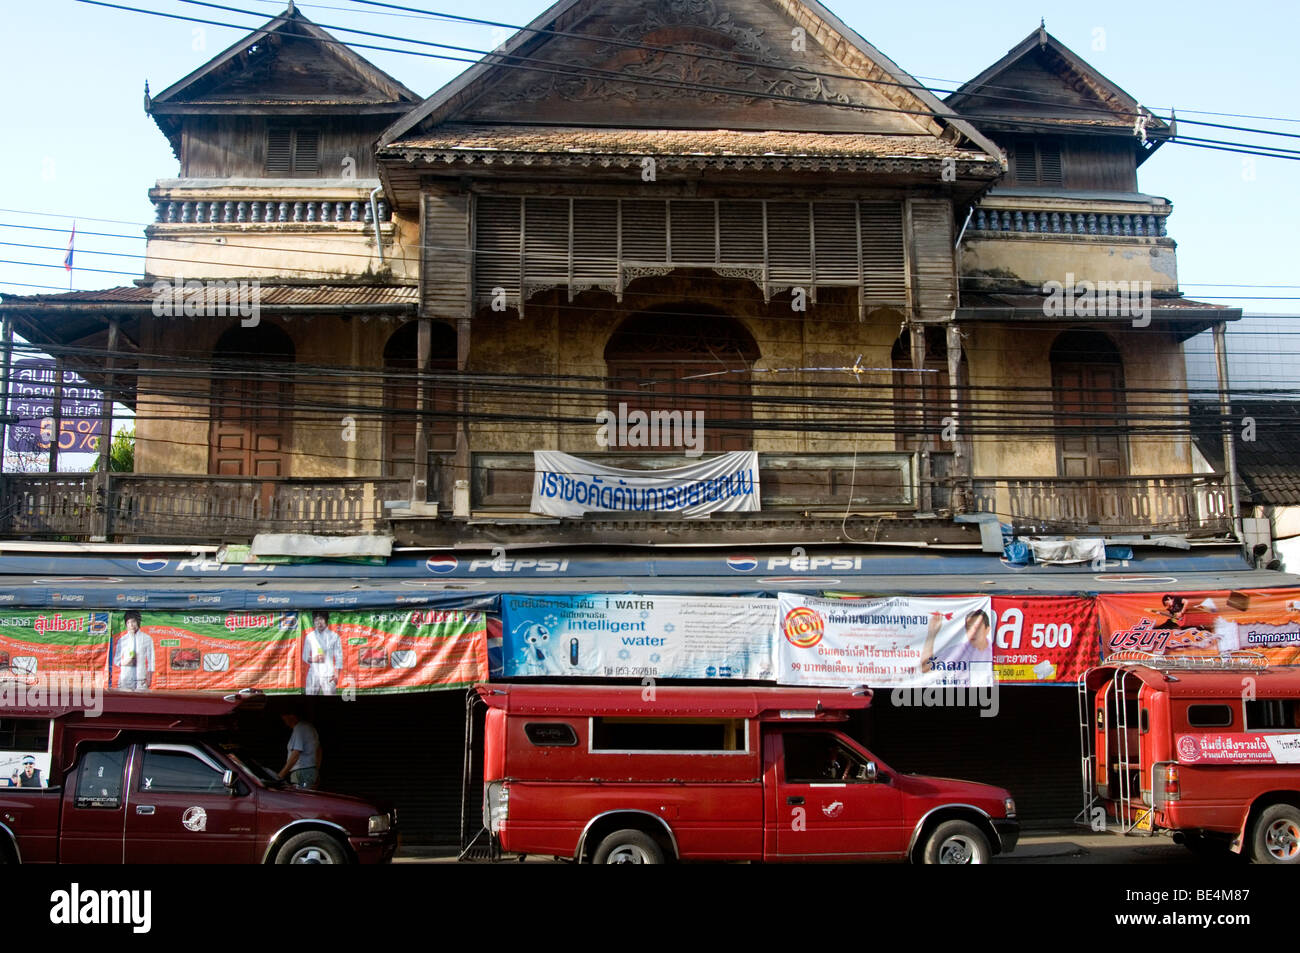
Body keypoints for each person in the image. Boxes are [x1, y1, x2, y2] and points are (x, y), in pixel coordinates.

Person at [918, 608, 994, 685]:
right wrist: (932, 633)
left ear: (987, 630)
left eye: (977, 627)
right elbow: (925, 667)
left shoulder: (995, 652)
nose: (973, 631)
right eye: (969, 627)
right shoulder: (957, 650)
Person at [302, 611, 343, 696]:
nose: (319, 622)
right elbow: (304, 656)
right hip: (313, 673)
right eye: (316, 620)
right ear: (313, 622)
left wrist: (337, 674)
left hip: (328, 674)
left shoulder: (334, 636)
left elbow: (339, 657)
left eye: (321, 619)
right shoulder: (310, 636)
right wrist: (314, 659)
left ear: (326, 620)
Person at [278, 711, 321, 790]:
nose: (285, 721)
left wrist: (280, 775)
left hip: (302, 773)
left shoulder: (299, 729)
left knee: (301, 799)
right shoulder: (309, 727)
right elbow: (318, 750)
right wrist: (316, 770)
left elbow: (295, 754)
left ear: (292, 716)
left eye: (285, 718)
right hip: (310, 772)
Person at [112, 610, 154, 691]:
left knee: (141, 700)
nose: (131, 625)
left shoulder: (147, 638)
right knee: (125, 701)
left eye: (133, 622)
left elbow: (151, 660)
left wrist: (150, 677)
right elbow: (116, 660)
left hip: (140, 677)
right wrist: (127, 662)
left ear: (138, 622)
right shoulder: (122, 639)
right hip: (125, 677)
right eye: (128, 622)